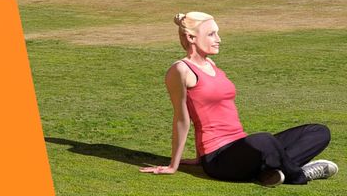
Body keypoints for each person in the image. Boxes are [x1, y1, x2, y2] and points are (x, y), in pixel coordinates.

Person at [141, 10, 336, 185]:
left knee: (318, 132)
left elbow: (213, 110)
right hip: (218, 158)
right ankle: (299, 175)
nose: (218, 39)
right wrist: (173, 165)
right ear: (191, 37)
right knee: (264, 140)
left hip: (240, 147)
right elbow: (182, 119)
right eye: (211, 34)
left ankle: (271, 173)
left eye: (217, 33)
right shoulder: (181, 70)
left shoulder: (211, 65)